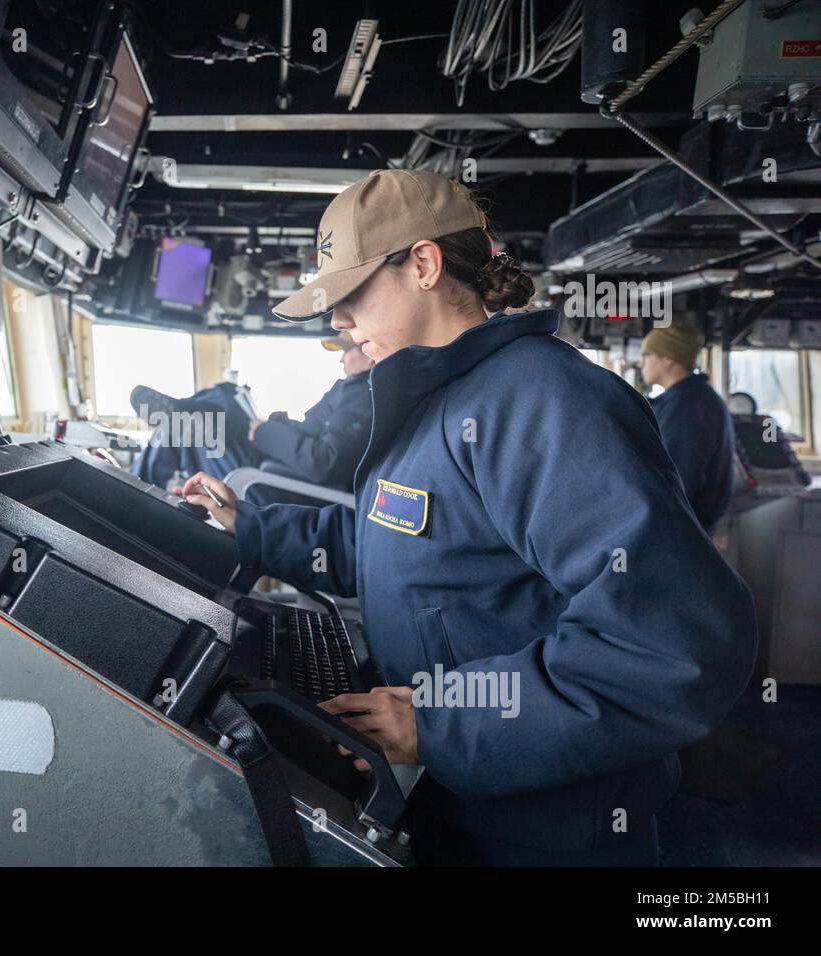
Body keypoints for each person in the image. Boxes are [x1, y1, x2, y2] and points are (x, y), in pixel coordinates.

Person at [177, 168, 757, 865]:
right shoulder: (437, 402)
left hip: (551, 823)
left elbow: (670, 643)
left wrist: (441, 723)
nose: (337, 319)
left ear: (422, 263)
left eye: (351, 293)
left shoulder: (540, 400)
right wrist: (255, 527)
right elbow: (400, 546)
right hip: (470, 788)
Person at [128, 335, 373, 502]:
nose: (341, 359)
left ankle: (132, 489)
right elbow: (323, 441)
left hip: (266, 482)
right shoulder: (358, 392)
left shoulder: (362, 393)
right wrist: (282, 425)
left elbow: (324, 462)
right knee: (217, 403)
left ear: (369, 354)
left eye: (345, 350)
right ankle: (187, 413)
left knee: (187, 424)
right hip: (272, 468)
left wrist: (265, 433)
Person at [639, 326, 736, 532]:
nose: (641, 363)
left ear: (668, 359)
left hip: (679, 532)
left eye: (647, 355)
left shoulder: (687, 406)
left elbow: (679, 479)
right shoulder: (692, 398)